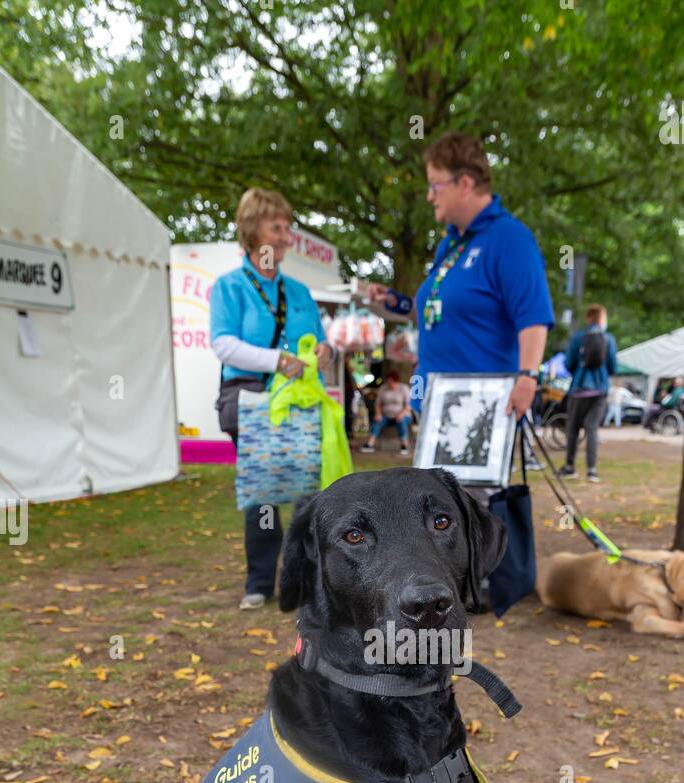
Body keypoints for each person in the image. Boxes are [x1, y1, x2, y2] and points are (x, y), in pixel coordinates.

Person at [361, 131, 554, 604]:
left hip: (485, 396)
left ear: (465, 183)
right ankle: (448, 583)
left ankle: (484, 584)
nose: (430, 196)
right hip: (440, 395)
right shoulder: (451, 246)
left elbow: (533, 315)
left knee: (474, 496)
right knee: (436, 498)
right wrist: (397, 302)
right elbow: (433, 310)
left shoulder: (508, 239)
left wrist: (528, 376)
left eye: (435, 184)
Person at [210, 187, 333, 611]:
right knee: (262, 491)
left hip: (297, 398)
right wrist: (277, 360)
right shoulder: (229, 287)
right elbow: (224, 344)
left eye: (287, 227)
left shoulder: (298, 291)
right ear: (251, 230)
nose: (284, 236)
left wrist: (325, 351)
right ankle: (260, 582)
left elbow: (320, 339)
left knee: (305, 490)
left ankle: (302, 581)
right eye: (275, 226)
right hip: (249, 396)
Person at [563, 304, 618, 481]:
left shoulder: (578, 337)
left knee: (573, 429)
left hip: (579, 389)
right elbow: (613, 367)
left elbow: (568, 363)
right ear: (602, 318)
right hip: (599, 390)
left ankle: (570, 467)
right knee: (592, 429)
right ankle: (592, 470)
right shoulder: (608, 339)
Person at [360, 369, 412, 454]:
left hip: (402, 415)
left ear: (396, 381)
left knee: (401, 421)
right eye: (388, 381)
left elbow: (408, 405)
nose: (389, 383)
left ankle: (404, 445)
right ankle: (370, 444)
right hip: (386, 415)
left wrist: (401, 414)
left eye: (391, 381)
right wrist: (378, 413)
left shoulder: (404, 388)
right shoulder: (383, 388)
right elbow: (378, 404)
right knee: (377, 420)